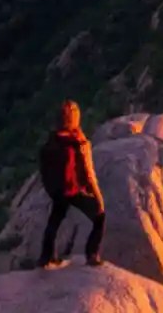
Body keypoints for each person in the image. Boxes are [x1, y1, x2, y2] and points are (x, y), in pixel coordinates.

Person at [38, 100, 106, 268]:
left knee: (54, 222)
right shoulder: (79, 142)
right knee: (99, 216)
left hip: (58, 191)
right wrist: (97, 197)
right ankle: (92, 254)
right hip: (74, 190)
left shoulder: (52, 141)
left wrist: (51, 190)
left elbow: (44, 169)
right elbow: (89, 173)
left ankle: (46, 257)